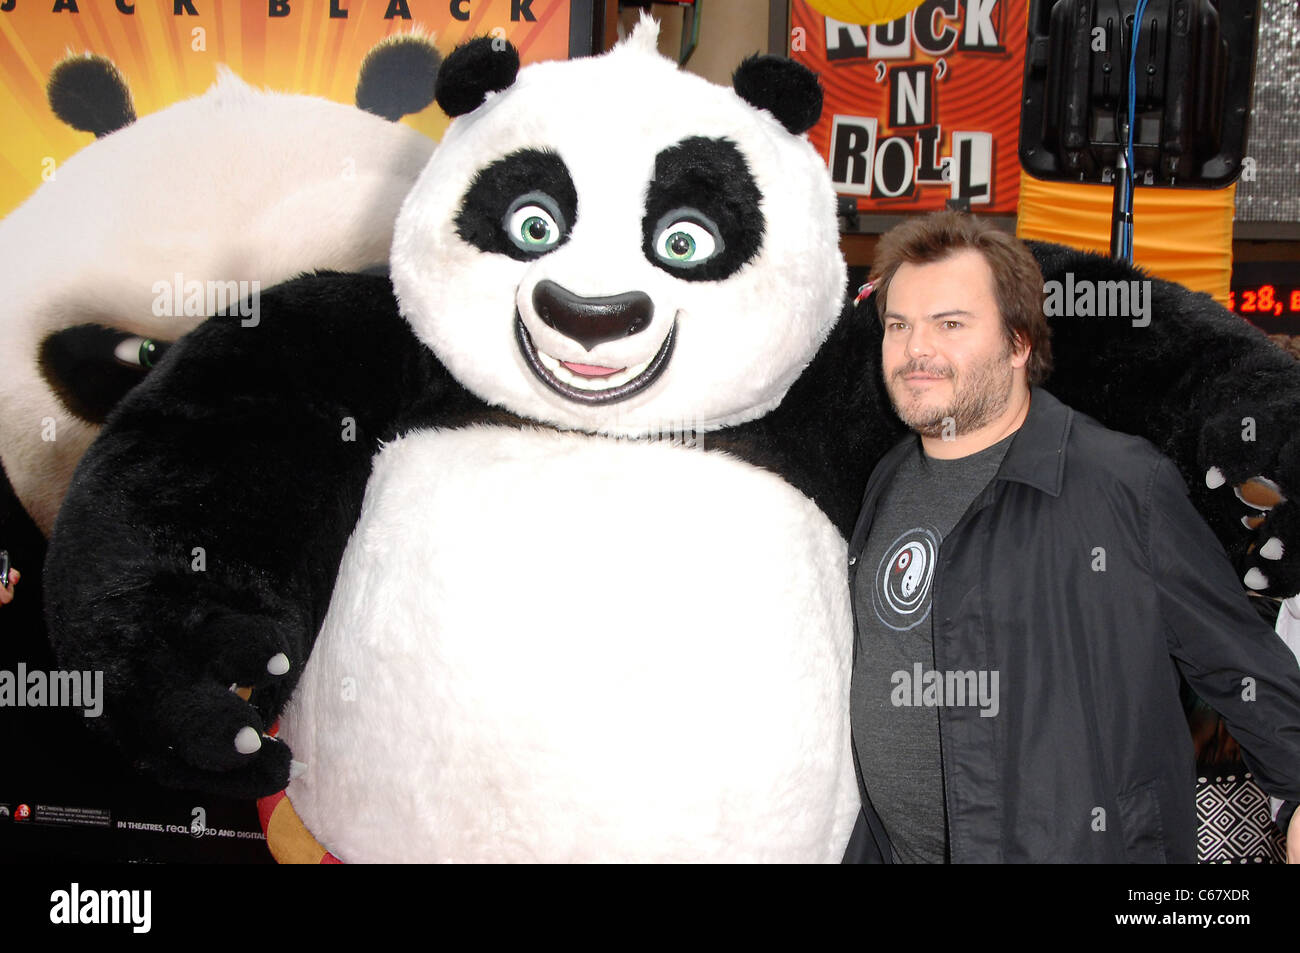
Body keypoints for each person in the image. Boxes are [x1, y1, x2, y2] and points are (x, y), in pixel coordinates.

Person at [843, 210, 1300, 863]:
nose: (917, 348)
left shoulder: (1118, 482)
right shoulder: (888, 478)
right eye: (899, 324)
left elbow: (1235, 655)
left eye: (950, 323)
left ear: (1019, 340)